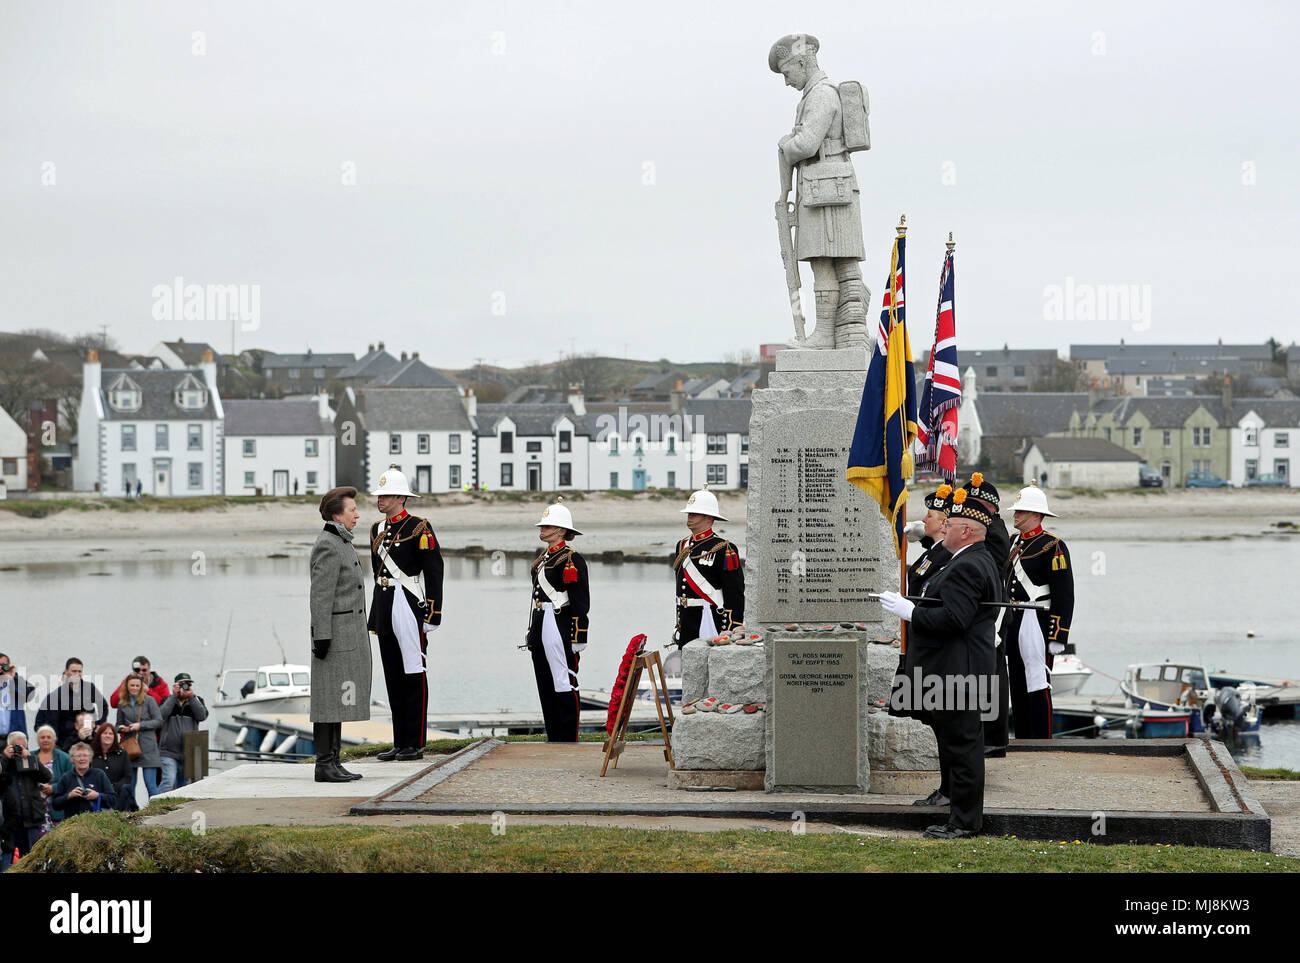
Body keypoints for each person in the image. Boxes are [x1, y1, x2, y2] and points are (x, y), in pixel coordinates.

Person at [880, 486, 1002, 839]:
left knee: (963, 750)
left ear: (966, 531)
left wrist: (911, 612)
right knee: (954, 745)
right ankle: (956, 813)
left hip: (957, 674)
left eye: (950, 525)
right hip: (954, 670)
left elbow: (954, 619)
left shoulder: (968, 565)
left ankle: (964, 823)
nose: (942, 528)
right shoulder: (968, 559)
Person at [770, 33, 869, 349]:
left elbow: (806, 144)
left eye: (787, 73)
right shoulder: (815, 95)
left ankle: (830, 335)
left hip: (826, 191)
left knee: (828, 263)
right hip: (824, 188)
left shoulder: (821, 95)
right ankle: (844, 334)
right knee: (835, 264)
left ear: (800, 61)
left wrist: (786, 144)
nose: (787, 82)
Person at [367, 466, 442, 761]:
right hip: (385, 603)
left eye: (385, 495)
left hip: (409, 603)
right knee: (393, 675)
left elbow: (434, 571)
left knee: (413, 672)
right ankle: (400, 741)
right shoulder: (376, 529)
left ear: (400, 497)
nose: (379, 500)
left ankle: (416, 742)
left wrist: (433, 613)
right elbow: (377, 571)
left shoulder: (419, 527)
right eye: (379, 495)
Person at [1001, 484, 1075, 741]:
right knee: (1017, 684)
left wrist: (1058, 636)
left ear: (1036, 515)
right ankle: (1022, 739)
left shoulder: (1053, 546)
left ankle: (1042, 741)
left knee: (1037, 684)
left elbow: (1064, 596)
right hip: (1014, 620)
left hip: (1038, 622)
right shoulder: (1013, 543)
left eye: (1021, 511)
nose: (1016, 515)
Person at [309, 486, 371, 782]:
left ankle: (333, 760)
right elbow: (321, 595)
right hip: (333, 637)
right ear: (337, 514)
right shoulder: (328, 544)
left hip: (346, 635)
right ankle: (324, 764)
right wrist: (321, 635)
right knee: (327, 702)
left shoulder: (341, 541)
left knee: (336, 702)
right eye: (352, 510)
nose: (357, 515)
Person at [891, 485, 955, 732]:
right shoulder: (934, 551)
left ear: (943, 524)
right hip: (917, 630)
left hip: (927, 632)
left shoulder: (947, 554)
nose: (924, 519)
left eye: (929, 516)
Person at [525, 499, 590, 742]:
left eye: (548, 526)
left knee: (564, 680)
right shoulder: (545, 558)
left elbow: (580, 601)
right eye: (542, 526)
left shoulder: (572, 559)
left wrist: (578, 635)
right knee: (544, 680)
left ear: (561, 531)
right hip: (542, 622)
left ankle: (568, 736)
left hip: (560, 625)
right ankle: (553, 734)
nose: (542, 530)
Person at [671, 487, 744, 647]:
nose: (689, 517)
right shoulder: (682, 545)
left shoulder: (724, 548)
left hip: (709, 617)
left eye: (694, 513)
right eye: (689, 513)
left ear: (709, 518)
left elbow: (734, 591)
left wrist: (733, 626)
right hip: (686, 619)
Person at [1, 732, 51, 870]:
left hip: (30, 819)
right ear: (8, 746)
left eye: (23, 746)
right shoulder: (4, 762)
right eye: (16, 746)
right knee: (8, 860)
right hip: (9, 823)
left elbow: (47, 777)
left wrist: (29, 757)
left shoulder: (30, 760)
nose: (19, 749)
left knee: (31, 859)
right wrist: (5, 757)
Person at [34, 658, 109, 746]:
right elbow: (44, 724)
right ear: (66, 672)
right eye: (74, 671)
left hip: (89, 741)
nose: (77, 674)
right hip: (66, 743)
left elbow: (103, 706)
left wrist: (99, 725)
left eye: (79, 671)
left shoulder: (89, 688)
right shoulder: (55, 696)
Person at [158, 672, 210, 792]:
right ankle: (156, 807)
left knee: (185, 785)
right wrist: (173, 697)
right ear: (175, 685)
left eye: (187, 684)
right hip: (169, 751)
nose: (185, 687)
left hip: (190, 751)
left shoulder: (196, 701)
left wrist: (191, 697)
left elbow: (202, 716)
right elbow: (161, 715)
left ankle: (178, 807)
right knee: (169, 780)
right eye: (181, 684)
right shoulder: (167, 700)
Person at [114, 674, 162, 800]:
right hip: (130, 748)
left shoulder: (149, 701)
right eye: (132, 685)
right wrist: (121, 728)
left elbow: (158, 721)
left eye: (137, 686)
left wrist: (140, 725)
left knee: (151, 785)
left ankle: (157, 812)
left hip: (148, 747)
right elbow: (117, 725)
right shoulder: (122, 703)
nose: (134, 688)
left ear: (141, 687)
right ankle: (132, 812)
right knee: (129, 786)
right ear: (127, 686)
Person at [51, 743, 115, 819]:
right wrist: (69, 796)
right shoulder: (66, 777)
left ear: (90, 758)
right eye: (78, 756)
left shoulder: (99, 775)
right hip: (72, 824)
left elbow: (113, 800)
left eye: (85, 755)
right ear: (72, 759)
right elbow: (55, 804)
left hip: (96, 823)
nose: (82, 759)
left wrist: (97, 795)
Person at [89, 722, 134, 811]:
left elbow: (128, 776)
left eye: (111, 733)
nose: (108, 736)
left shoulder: (122, 754)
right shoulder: (91, 753)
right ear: (99, 735)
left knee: (126, 788)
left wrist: (113, 788)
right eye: (105, 733)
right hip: (97, 794)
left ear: (114, 736)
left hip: (117, 793)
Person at [33, 725, 71, 827]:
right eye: (42, 737)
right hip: (35, 810)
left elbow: (71, 781)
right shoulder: (30, 757)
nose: (46, 740)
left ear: (54, 740)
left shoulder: (64, 758)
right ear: (37, 740)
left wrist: (54, 788)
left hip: (57, 810)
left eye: (49, 737)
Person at [0, 655, 34, 740]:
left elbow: (30, 695)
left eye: (4, 664)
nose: (2, 668)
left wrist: (13, 676)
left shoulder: (15, 682)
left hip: (15, 737)